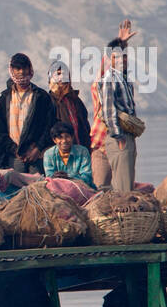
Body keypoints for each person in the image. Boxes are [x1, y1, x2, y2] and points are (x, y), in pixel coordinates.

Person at [0, 53, 55, 173]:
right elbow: (0, 130)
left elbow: (49, 125)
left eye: (24, 68)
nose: (21, 72)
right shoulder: (4, 98)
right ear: (12, 70)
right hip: (14, 156)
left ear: (30, 69)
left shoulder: (41, 97)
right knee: (17, 188)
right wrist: (15, 150)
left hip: (36, 155)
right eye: (17, 68)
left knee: (37, 186)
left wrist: (38, 148)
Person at [96, 38, 138, 194]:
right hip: (119, 137)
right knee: (123, 188)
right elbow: (109, 111)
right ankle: (123, 218)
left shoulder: (123, 78)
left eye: (124, 56)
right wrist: (118, 136)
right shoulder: (110, 79)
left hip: (128, 135)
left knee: (127, 182)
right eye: (116, 57)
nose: (121, 60)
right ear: (109, 59)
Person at [47, 59, 91, 151]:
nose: (62, 77)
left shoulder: (75, 100)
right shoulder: (48, 101)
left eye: (65, 74)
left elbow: (85, 126)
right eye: (58, 74)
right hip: (60, 153)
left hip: (81, 150)